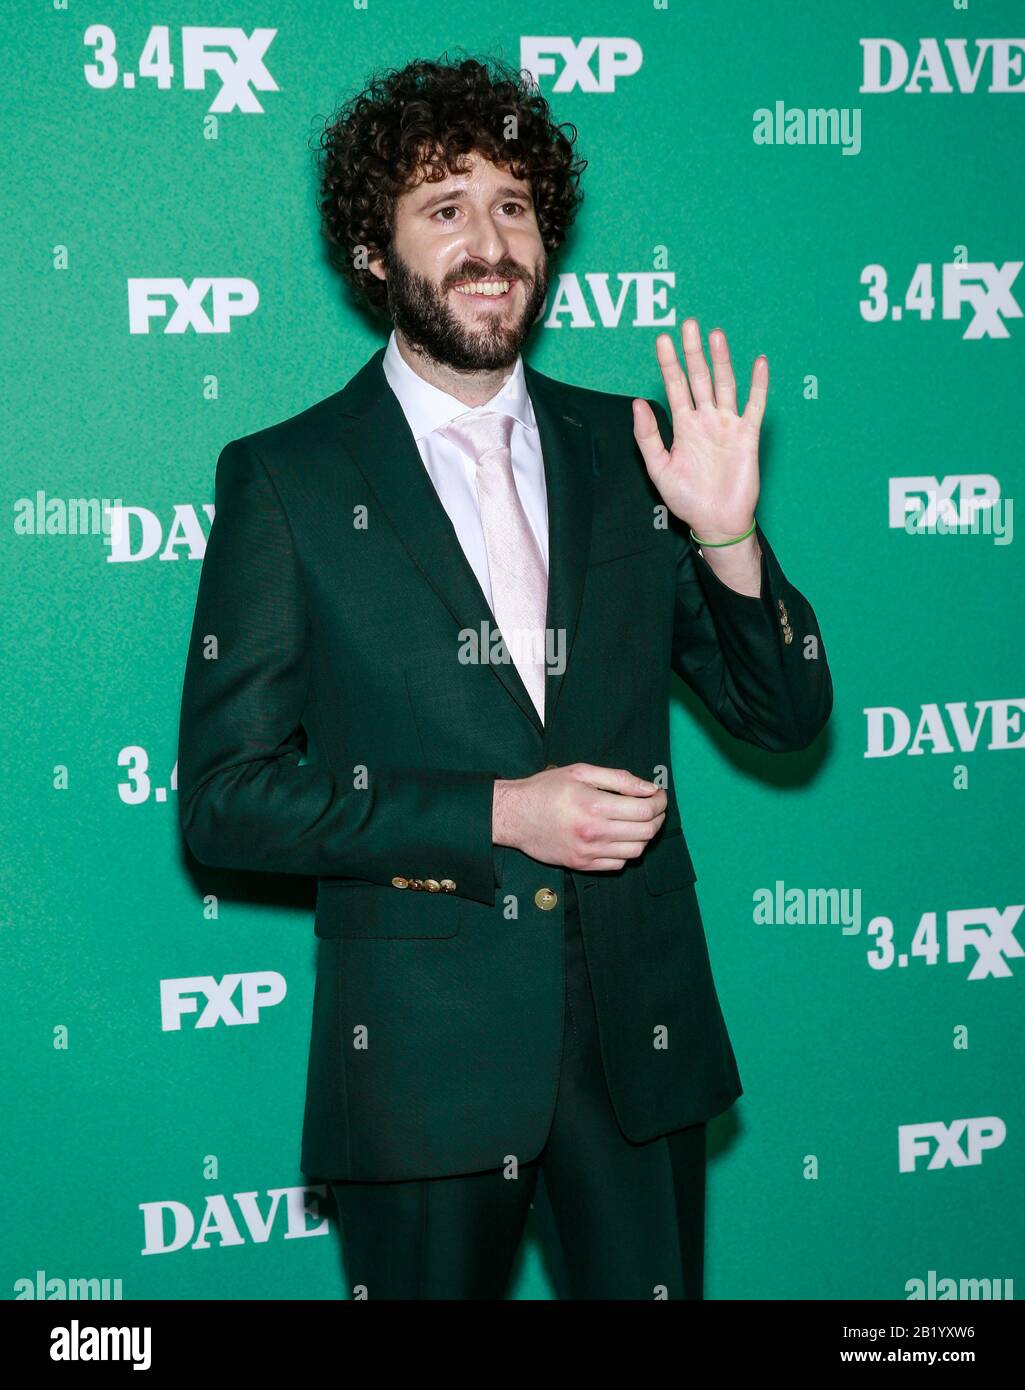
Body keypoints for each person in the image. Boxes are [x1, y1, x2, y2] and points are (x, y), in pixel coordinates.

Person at [176, 53, 833, 1300]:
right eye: (444, 208)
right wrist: (498, 815)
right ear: (374, 254)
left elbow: (784, 711)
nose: (489, 242)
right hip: (421, 1061)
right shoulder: (289, 480)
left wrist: (727, 536)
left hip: (638, 1052)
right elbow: (225, 797)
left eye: (514, 206)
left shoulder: (633, 449)